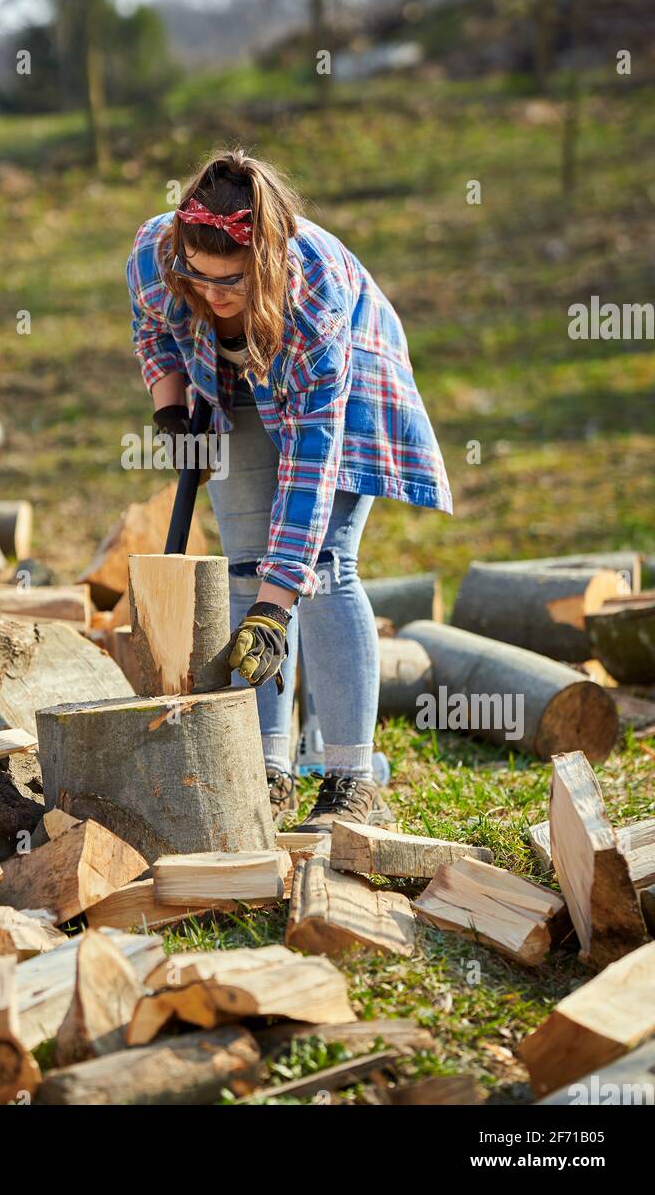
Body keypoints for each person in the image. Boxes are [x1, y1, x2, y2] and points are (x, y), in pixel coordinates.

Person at [125, 149, 452, 831]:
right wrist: (169, 402)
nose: (212, 294)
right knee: (245, 569)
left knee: (324, 571)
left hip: (350, 377)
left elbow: (310, 467)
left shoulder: (314, 301)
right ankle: (266, 772)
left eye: (230, 281)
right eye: (199, 275)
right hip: (235, 383)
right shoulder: (158, 257)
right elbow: (152, 328)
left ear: (266, 262)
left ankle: (351, 780)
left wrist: (279, 606)